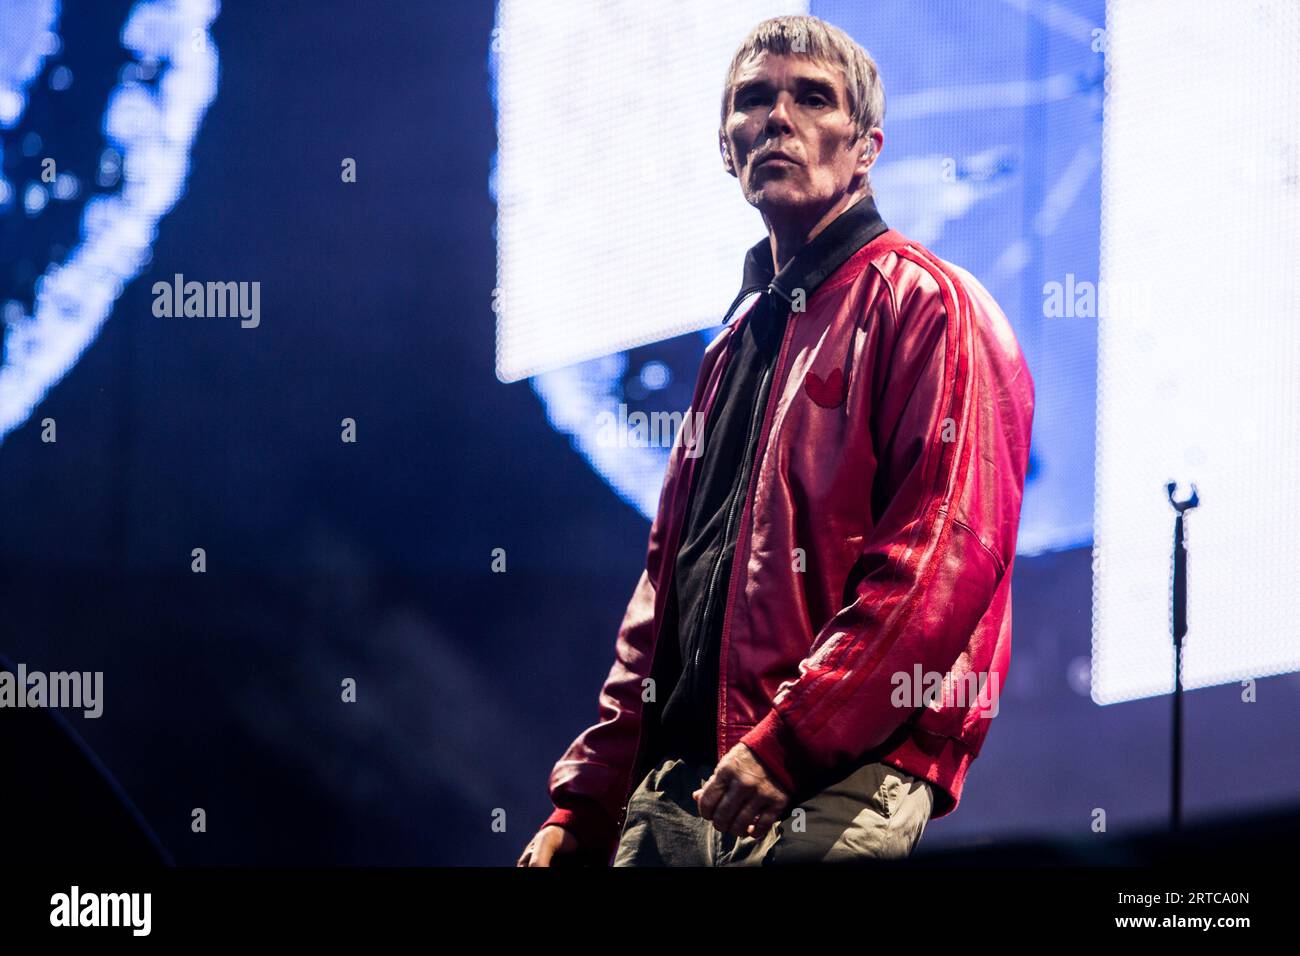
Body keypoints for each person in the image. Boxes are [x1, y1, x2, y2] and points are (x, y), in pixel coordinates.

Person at [518, 14, 1035, 867]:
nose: (778, 119)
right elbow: (664, 597)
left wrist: (794, 738)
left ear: (866, 147)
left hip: (831, 774)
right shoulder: (733, 348)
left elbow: (946, 554)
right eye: (753, 100)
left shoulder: (928, 306)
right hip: (679, 787)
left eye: (812, 98)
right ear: (728, 149)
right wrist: (588, 800)